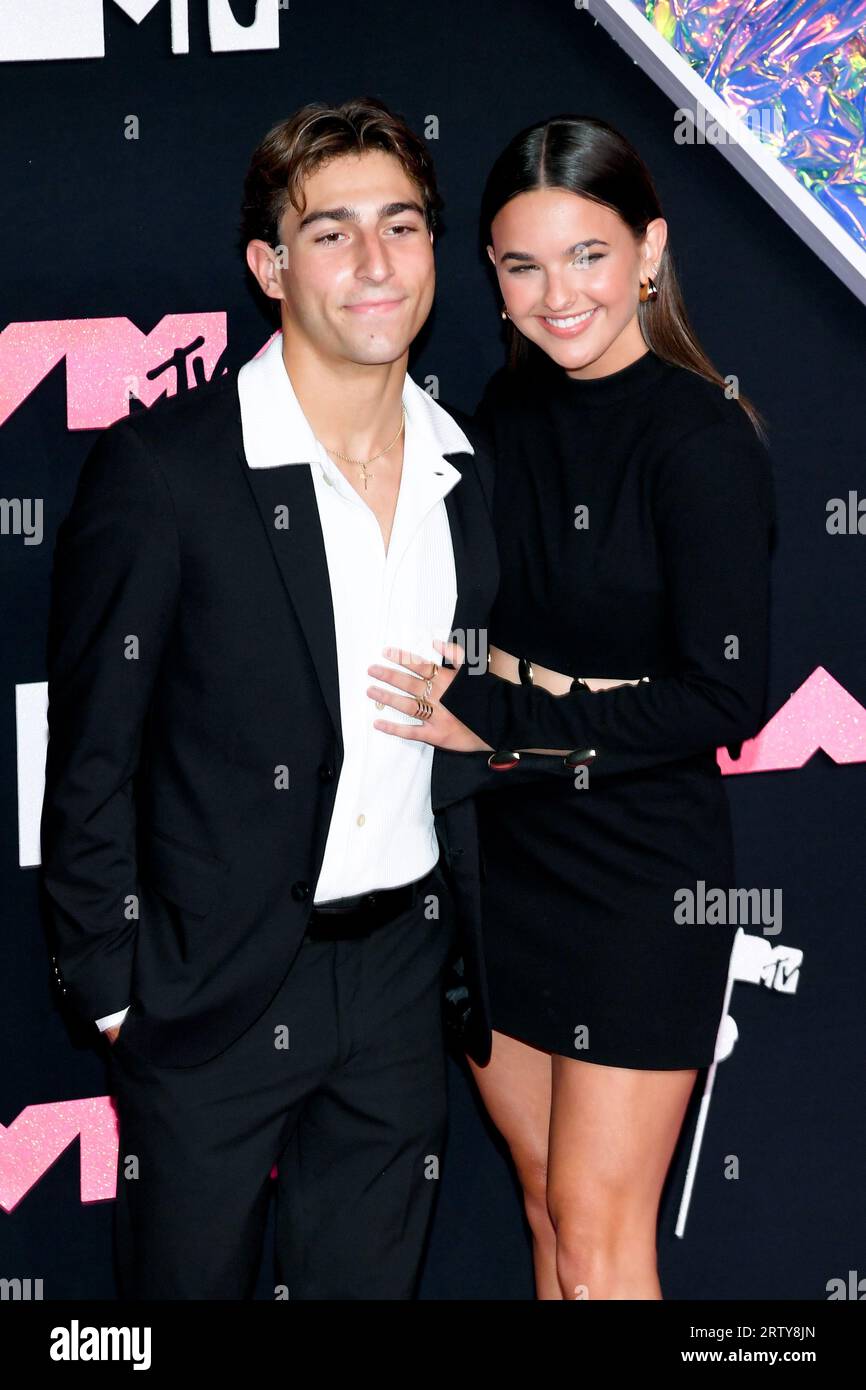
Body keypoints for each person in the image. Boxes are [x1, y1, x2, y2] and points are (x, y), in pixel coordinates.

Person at [39, 96, 501, 1300]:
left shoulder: (463, 468)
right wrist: (114, 996)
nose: (373, 262)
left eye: (400, 226)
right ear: (268, 263)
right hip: (211, 992)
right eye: (332, 230)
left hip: (400, 979)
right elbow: (89, 755)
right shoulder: (168, 470)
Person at [366, 114, 776, 1300]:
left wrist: (507, 721)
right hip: (506, 859)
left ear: (647, 252)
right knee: (548, 1209)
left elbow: (723, 696)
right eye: (521, 263)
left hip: (634, 871)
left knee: (600, 1240)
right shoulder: (494, 420)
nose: (557, 295)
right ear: (486, 275)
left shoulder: (699, 439)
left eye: (588, 255)